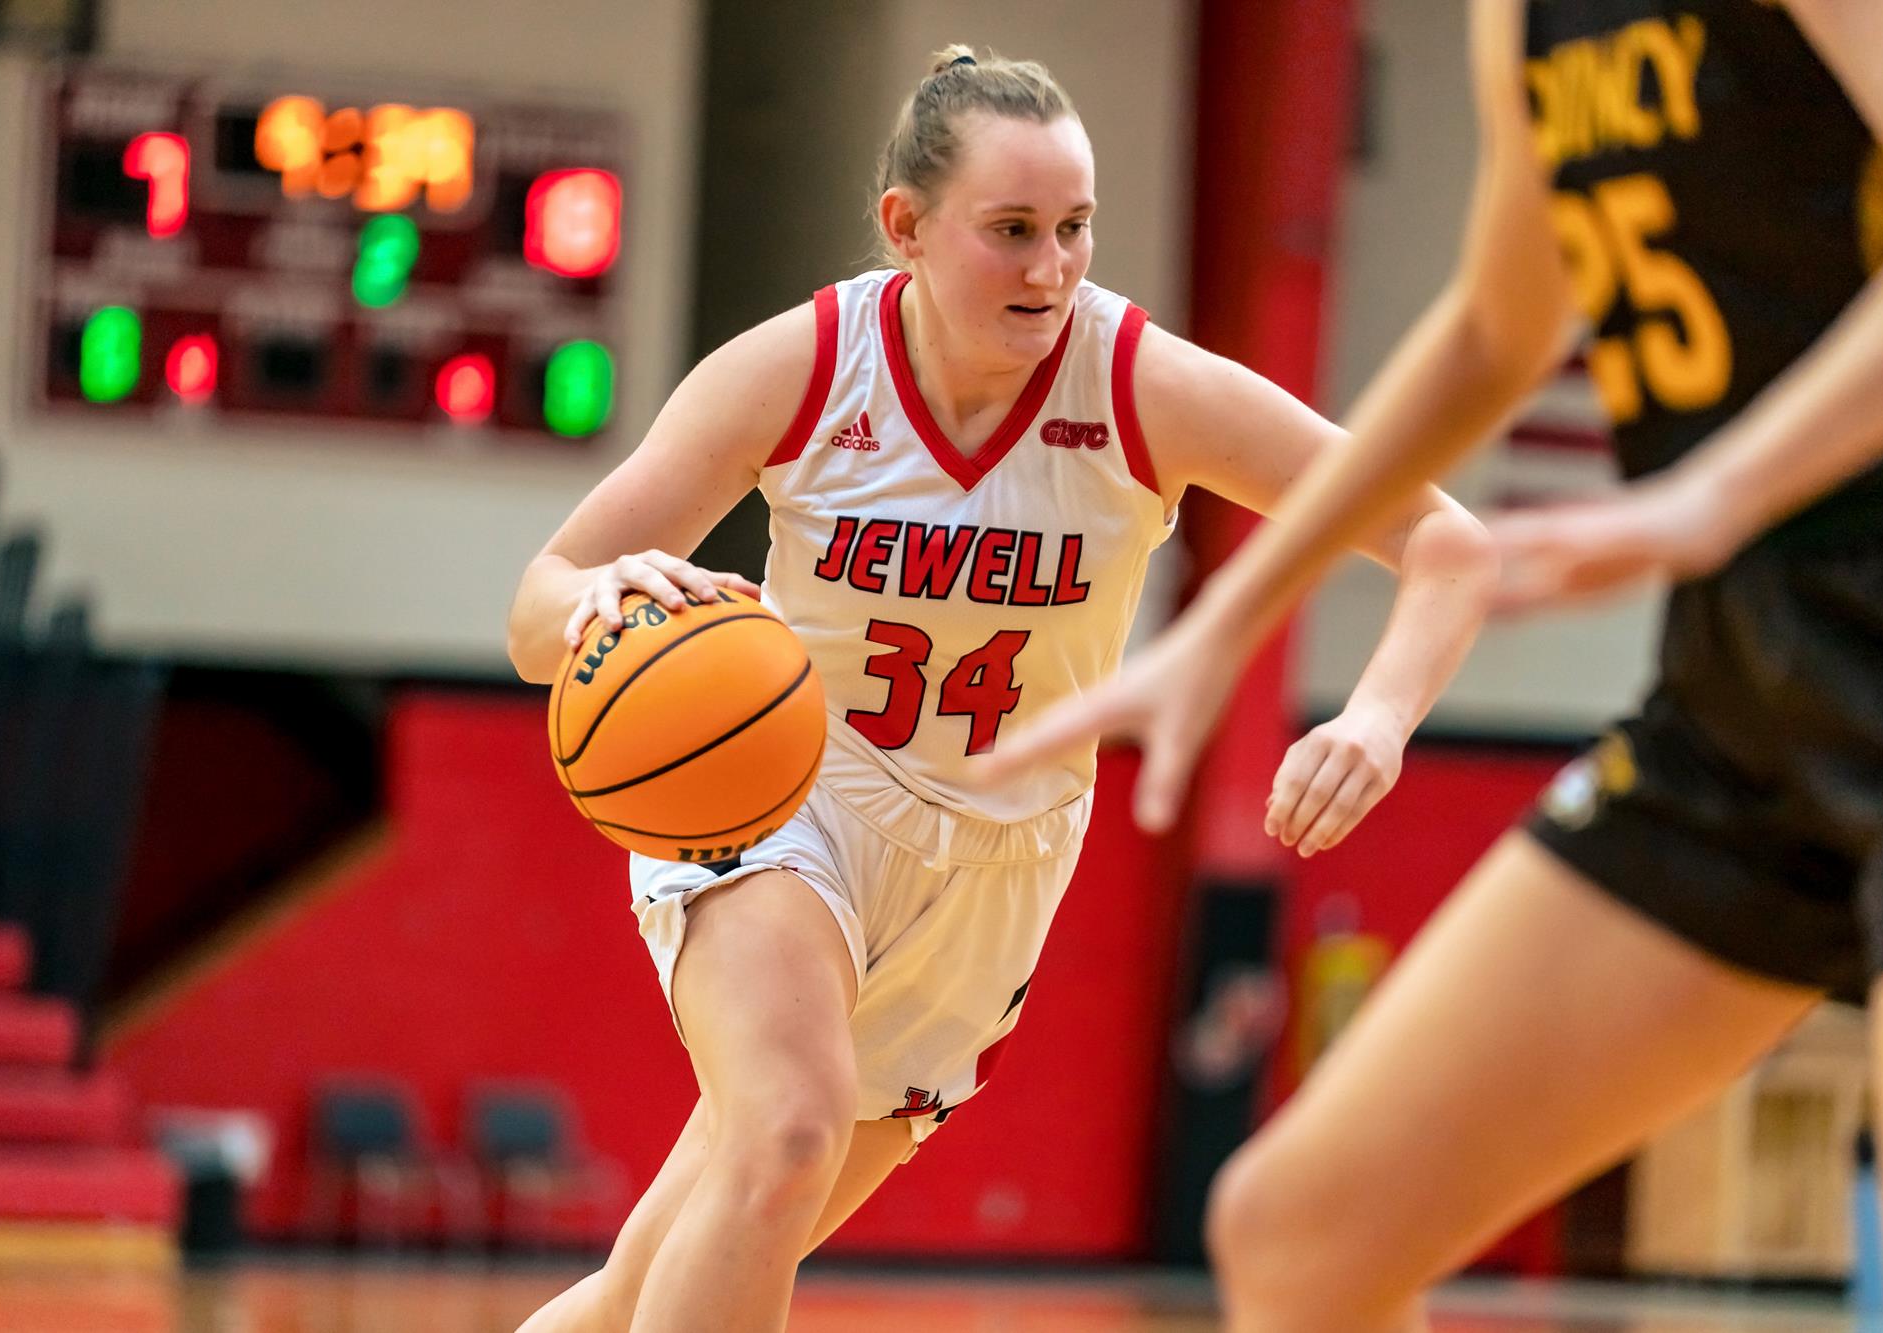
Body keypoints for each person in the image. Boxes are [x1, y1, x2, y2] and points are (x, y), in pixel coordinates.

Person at [505, 45, 1495, 1333]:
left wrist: (1377, 715)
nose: (1051, 268)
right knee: (789, 1136)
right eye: (1012, 231)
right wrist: (592, 602)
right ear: (905, 228)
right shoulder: (804, 368)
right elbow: (540, 604)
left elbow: (1447, 543)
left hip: (997, 860)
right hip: (786, 794)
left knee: (660, 1271)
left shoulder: (1140, 389)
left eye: (1074, 230)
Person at [981, 2, 1883, 1328]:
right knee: (1302, 1233)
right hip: (1755, 689)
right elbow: (1491, 329)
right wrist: (1233, 617)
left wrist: (1712, 499)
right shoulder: (1524, 16)